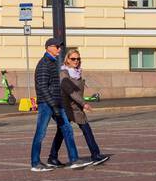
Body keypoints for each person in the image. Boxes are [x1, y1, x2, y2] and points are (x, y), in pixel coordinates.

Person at [29, 40, 90, 172]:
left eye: (59, 47)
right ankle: (35, 163)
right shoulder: (44, 64)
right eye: (57, 47)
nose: (59, 49)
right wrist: (53, 106)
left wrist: (58, 104)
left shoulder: (52, 62)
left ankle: (74, 159)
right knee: (41, 133)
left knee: (67, 129)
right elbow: (43, 87)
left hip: (57, 103)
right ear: (48, 48)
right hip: (46, 104)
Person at [50, 49, 111, 166]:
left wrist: (81, 104)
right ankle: (53, 157)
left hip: (76, 107)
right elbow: (71, 92)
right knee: (62, 133)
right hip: (67, 107)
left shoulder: (77, 72)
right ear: (67, 60)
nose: (76, 61)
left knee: (86, 130)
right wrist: (84, 103)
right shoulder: (64, 73)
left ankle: (95, 155)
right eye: (73, 59)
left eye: (78, 59)